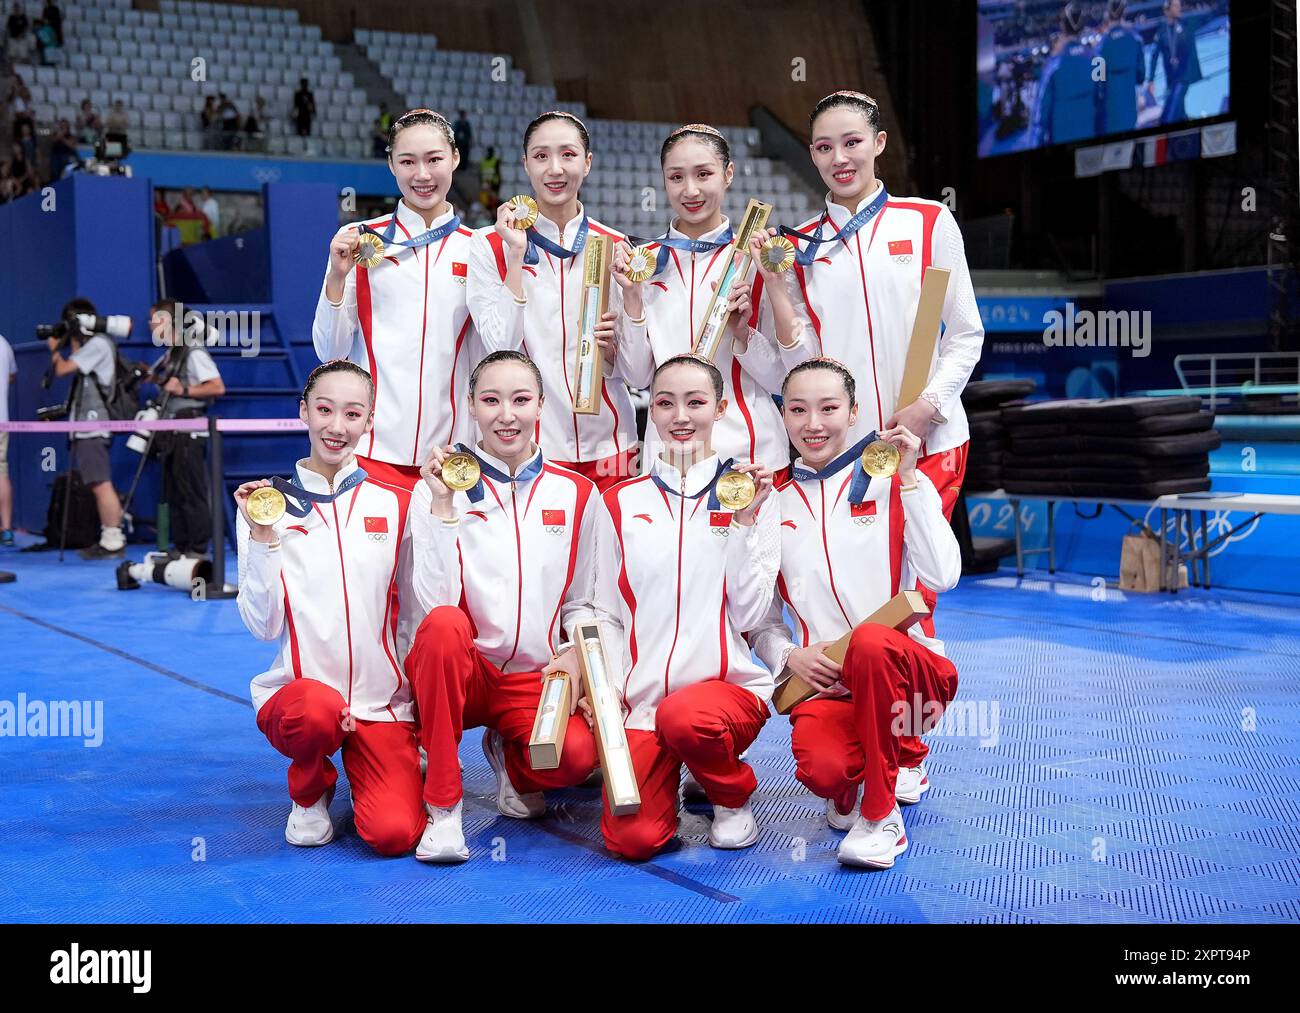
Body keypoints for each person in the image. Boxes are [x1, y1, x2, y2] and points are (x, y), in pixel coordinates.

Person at [758, 90, 982, 627]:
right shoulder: (798, 248)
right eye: (824, 146)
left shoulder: (928, 223)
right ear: (811, 155)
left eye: (852, 142)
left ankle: (906, 704)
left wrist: (928, 406)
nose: (840, 158)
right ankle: (851, 703)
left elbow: (966, 334)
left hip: (927, 442)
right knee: (855, 598)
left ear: (878, 144)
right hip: (840, 449)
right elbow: (801, 364)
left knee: (917, 594)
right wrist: (774, 290)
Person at [748, 359, 961, 869]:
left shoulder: (895, 481)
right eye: (798, 410)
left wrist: (910, 481)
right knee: (825, 772)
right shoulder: (771, 499)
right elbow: (758, 618)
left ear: (855, 411)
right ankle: (856, 784)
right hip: (828, 683)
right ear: (783, 417)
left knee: (869, 641)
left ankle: (882, 816)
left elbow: (942, 575)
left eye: (828, 408)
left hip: (912, 679)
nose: (813, 424)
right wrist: (791, 654)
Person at [402, 351, 602, 861]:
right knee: (445, 625)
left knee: (573, 761)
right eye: (491, 400)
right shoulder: (437, 491)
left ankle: (510, 754)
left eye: (520, 399)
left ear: (541, 405)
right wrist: (444, 505)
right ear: (471, 406)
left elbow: (584, 599)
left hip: (531, 678)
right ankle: (444, 811)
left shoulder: (578, 493)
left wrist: (579, 655)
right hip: (462, 670)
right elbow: (434, 604)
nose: (505, 414)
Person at [587, 354, 779, 860]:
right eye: (666, 402)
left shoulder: (752, 492)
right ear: (652, 408)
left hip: (724, 695)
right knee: (632, 841)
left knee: (686, 718)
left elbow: (752, 614)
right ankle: (673, 772)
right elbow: (603, 608)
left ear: (720, 409)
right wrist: (608, 691)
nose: (680, 417)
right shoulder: (620, 502)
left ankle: (730, 796)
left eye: (695, 402)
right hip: (643, 704)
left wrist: (742, 524)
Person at [235, 360, 424, 856]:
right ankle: (310, 789)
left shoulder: (396, 503)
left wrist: (414, 704)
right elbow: (262, 625)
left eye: (352, 413)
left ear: (369, 420)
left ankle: (385, 761)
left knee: (393, 835)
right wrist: (262, 539)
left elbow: (416, 613)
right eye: (324, 409)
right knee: (315, 711)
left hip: (379, 702)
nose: (336, 427)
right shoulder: (265, 505)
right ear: (303, 411)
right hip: (305, 700)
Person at [314, 108, 480, 655]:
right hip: (375, 454)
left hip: (450, 460)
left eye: (434, 159)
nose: (422, 173)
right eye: (407, 161)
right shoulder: (362, 245)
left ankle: (441, 725)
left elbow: (500, 347)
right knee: (375, 595)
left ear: (455, 160)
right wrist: (337, 275)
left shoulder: (479, 249)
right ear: (390, 166)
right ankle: (380, 717)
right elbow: (330, 351)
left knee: (446, 601)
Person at [467, 111, 647, 493]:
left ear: (588, 162)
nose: (555, 169)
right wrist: (515, 257)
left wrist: (616, 350)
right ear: (526, 164)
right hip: (532, 447)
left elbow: (638, 374)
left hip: (612, 444)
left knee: (612, 554)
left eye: (568, 154)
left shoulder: (616, 246)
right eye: (541, 156)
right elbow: (498, 348)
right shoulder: (488, 246)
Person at [614, 123, 796, 470]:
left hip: (750, 450)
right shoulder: (642, 263)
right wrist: (633, 301)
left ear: (728, 173)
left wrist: (744, 334)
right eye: (676, 177)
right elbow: (637, 378)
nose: (690, 190)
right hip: (668, 452)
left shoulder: (759, 259)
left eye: (704, 173)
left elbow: (782, 379)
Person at [44, 298, 127, 558]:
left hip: (93, 424)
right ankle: (110, 535)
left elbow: (63, 369)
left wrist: (55, 349)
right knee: (96, 482)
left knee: (101, 483)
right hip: (85, 425)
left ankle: (113, 538)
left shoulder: (99, 344)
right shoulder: (91, 346)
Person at [148, 299, 225, 558]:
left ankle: (198, 548)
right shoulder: (171, 354)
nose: (151, 324)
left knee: (192, 491)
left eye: (155, 318)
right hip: (171, 432)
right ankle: (180, 547)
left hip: (190, 432)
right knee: (175, 492)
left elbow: (216, 386)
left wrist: (182, 389)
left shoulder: (194, 352)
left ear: (170, 321)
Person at [1031, 2, 1098, 147]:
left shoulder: (1053, 65)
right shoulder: (1096, 60)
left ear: (1063, 26)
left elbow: (1040, 114)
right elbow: (1103, 95)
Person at [1148, 0, 1202, 125]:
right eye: (1176, 6)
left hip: (1183, 77)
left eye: (1179, 5)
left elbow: (1189, 52)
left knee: (1169, 114)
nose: (1179, 8)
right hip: (1171, 78)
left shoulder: (1185, 25)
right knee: (1179, 112)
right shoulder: (1162, 29)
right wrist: (1151, 80)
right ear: (1168, 9)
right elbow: (1154, 56)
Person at [1096, 0, 1146, 135]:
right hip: (1130, 112)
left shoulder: (1100, 47)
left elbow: (1097, 83)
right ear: (1124, 12)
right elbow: (1141, 76)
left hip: (1109, 115)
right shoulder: (1135, 39)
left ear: (1107, 14)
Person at [0, 330, 15, 546]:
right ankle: (7, 530)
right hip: (2, 419)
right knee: (1, 471)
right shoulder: (3, 342)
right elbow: (12, 376)